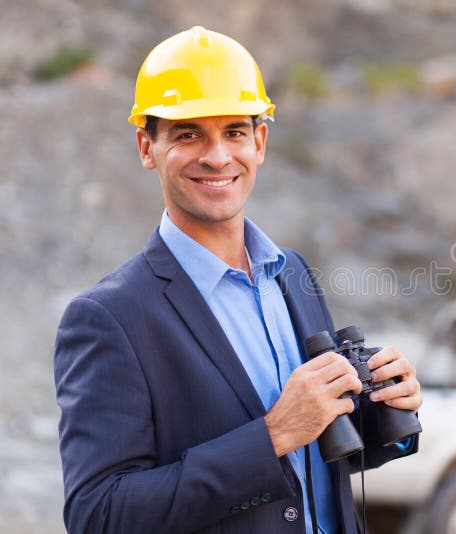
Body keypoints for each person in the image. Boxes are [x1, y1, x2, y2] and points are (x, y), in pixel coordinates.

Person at [54, 26, 422, 534]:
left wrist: (385, 413)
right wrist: (272, 435)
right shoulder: (109, 318)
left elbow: (315, 466)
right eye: (188, 134)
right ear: (146, 147)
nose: (217, 156)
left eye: (234, 132)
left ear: (259, 142)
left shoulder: (292, 272)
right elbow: (99, 514)